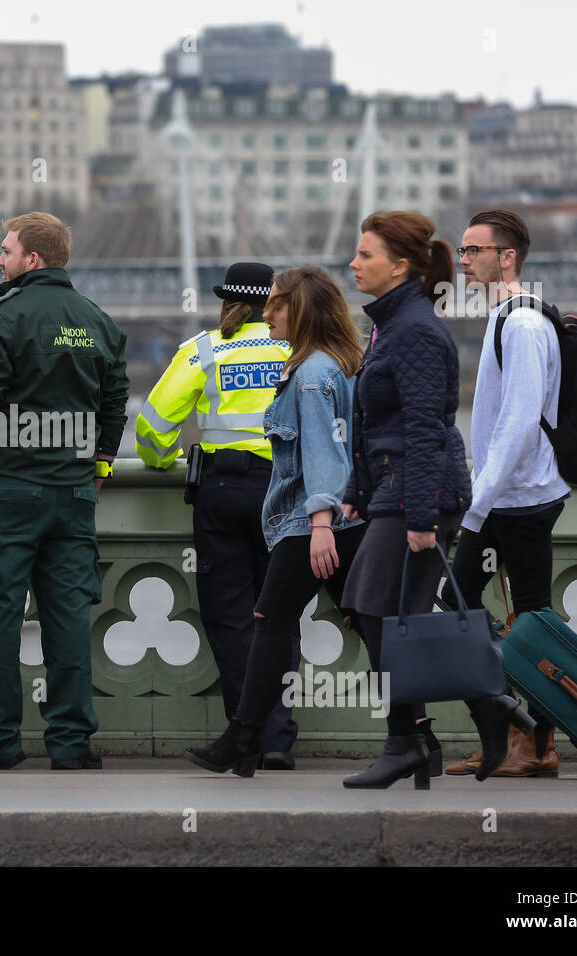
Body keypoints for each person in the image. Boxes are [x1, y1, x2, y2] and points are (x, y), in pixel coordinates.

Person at [338, 211, 531, 789]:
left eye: (366, 255)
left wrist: (420, 516)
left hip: (417, 495)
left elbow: (426, 428)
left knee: (375, 610)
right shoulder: (393, 325)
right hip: (395, 491)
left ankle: (412, 740)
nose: (354, 263)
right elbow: (378, 422)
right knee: (384, 612)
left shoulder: (416, 330)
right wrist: (356, 492)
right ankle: (478, 707)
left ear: (399, 267)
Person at [0, 212, 129, 770]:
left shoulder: (5, 316)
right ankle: (71, 744)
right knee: (69, 620)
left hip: (10, 492)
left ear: (32, 259)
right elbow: (114, 401)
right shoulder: (97, 320)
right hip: (74, 495)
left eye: (6, 251)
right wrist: (99, 462)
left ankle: (0, 746)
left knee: (0, 618)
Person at [135, 262, 303, 772]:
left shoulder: (203, 349)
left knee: (232, 618)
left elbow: (152, 427)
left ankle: (243, 733)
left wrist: (162, 458)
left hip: (224, 491)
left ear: (227, 302)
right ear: (273, 303)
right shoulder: (296, 348)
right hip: (287, 491)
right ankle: (276, 738)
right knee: (280, 614)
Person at [213, 266, 368, 776]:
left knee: (270, 623)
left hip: (311, 525)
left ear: (298, 311)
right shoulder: (347, 364)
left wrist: (319, 521)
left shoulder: (308, 376)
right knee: (377, 625)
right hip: (351, 518)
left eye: (277, 304)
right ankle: (423, 734)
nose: (268, 311)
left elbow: (322, 453)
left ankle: (242, 739)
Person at [442, 209, 566, 777]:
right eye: (464, 252)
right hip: (506, 498)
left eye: (473, 251)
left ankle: (535, 745)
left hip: (519, 501)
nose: (463, 262)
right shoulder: (503, 317)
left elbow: (516, 426)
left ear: (506, 257)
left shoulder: (521, 325)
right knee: (471, 612)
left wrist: (476, 506)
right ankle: (511, 734)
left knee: (527, 621)